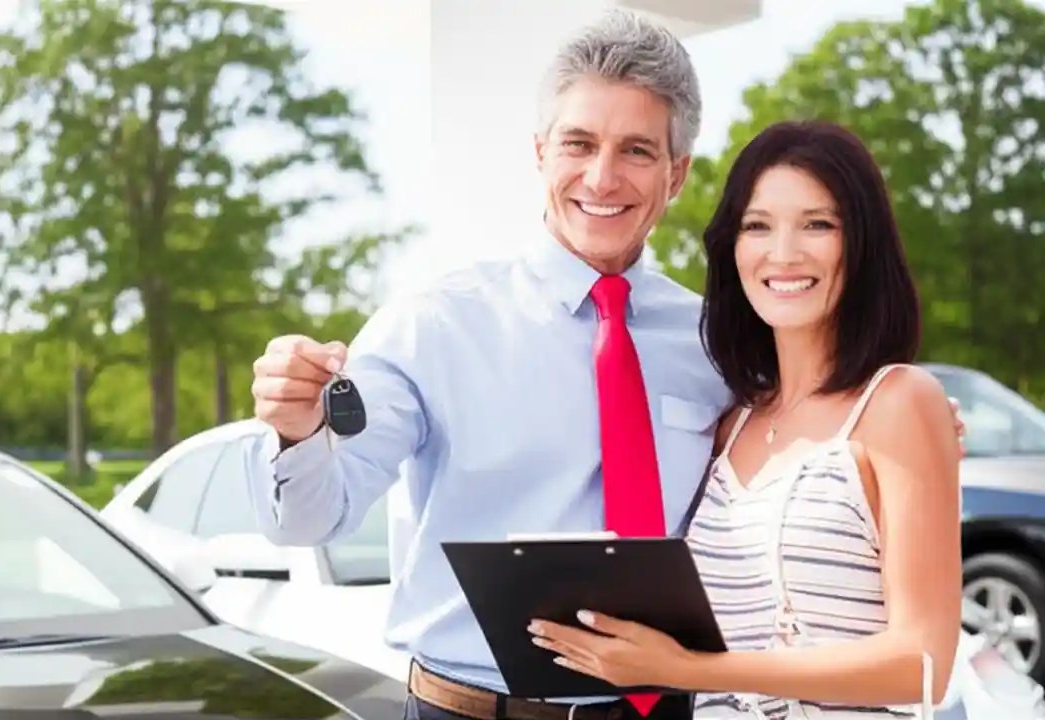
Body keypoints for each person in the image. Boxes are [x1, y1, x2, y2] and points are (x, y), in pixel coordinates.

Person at [244, 10, 960, 720]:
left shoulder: (717, 342)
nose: (602, 176)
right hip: (472, 710)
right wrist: (297, 434)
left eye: (637, 151)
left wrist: (910, 433)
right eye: (578, 143)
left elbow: (816, 436)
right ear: (539, 153)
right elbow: (311, 519)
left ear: (677, 174)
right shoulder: (433, 325)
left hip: (671, 710)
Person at [526, 121, 963, 719]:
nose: (783, 253)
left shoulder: (899, 402)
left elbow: (923, 665)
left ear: (861, 244)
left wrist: (686, 671)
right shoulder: (730, 426)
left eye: (818, 224)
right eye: (757, 226)